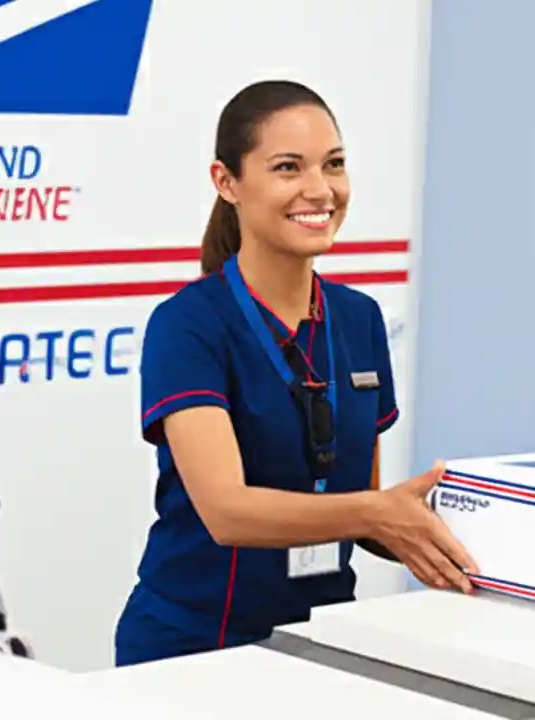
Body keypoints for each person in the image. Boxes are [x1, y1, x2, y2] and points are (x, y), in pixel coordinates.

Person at [114, 80, 477, 666]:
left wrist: (459, 531)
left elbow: (357, 506)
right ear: (226, 182)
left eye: (333, 164)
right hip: (195, 649)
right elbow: (226, 511)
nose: (320, 189)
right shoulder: (188, 325)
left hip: (326, 643)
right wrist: (375, 511)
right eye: (289, 168)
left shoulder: (358, 318)